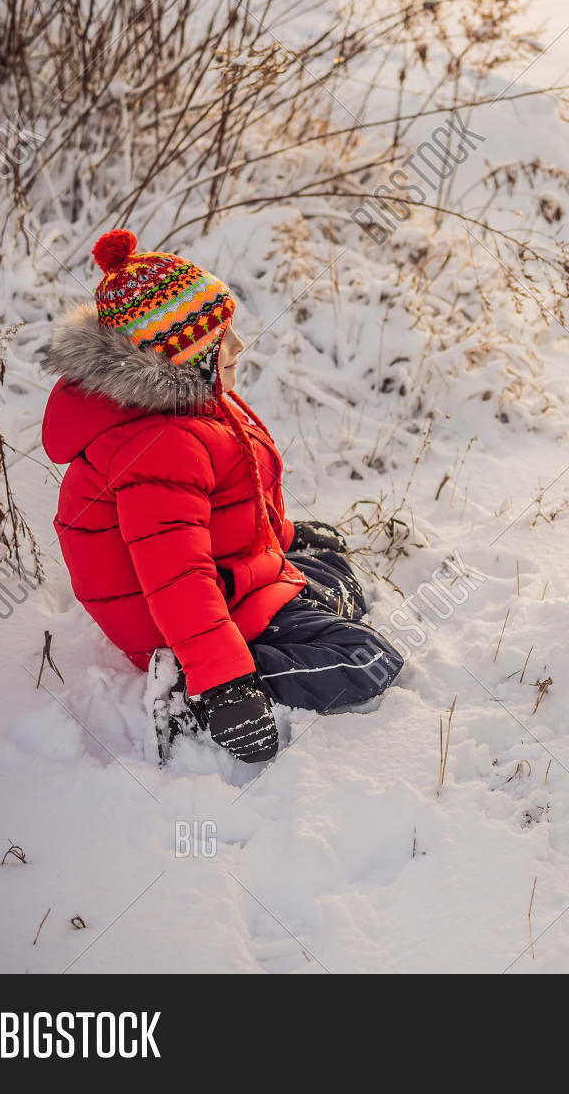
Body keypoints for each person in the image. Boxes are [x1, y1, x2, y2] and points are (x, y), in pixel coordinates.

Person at [41, 229, 402, 765]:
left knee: (328, 567)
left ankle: (280, 614)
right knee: (369, 658)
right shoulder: (159, 444)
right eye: (222, 336)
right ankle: (193, 695)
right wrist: (225, 686)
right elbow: (176, 577)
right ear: (181, 354)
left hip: (225, 579)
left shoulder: (193, 405)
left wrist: (282, 538)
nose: (237, 346)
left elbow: (227, 510)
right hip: (175, 623)